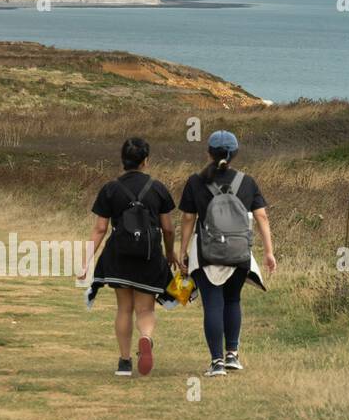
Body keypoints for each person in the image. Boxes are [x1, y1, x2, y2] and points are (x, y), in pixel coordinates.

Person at [177, 130, 275, 377]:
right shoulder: (247, 181)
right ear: (235, 154)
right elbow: (261, 216)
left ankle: (217, 362)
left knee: (212, 304)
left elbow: (188, 218)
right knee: (233, 301)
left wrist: (182, 252)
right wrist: (269, 253)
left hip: (207, 253)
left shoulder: (195, 182)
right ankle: (232, 355)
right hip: (240, 254)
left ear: (208, 153)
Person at [83, 137, 178, 377]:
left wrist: (86, 259)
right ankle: (145, 338)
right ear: (146, 160)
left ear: (122, 159)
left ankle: (124, 362)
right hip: (149, 257)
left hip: (118, 258)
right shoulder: (158, 188)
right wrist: (170, 253)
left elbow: (100, 229)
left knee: (124, 308)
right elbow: (168, 228)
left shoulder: (110, 189)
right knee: (145, 310)